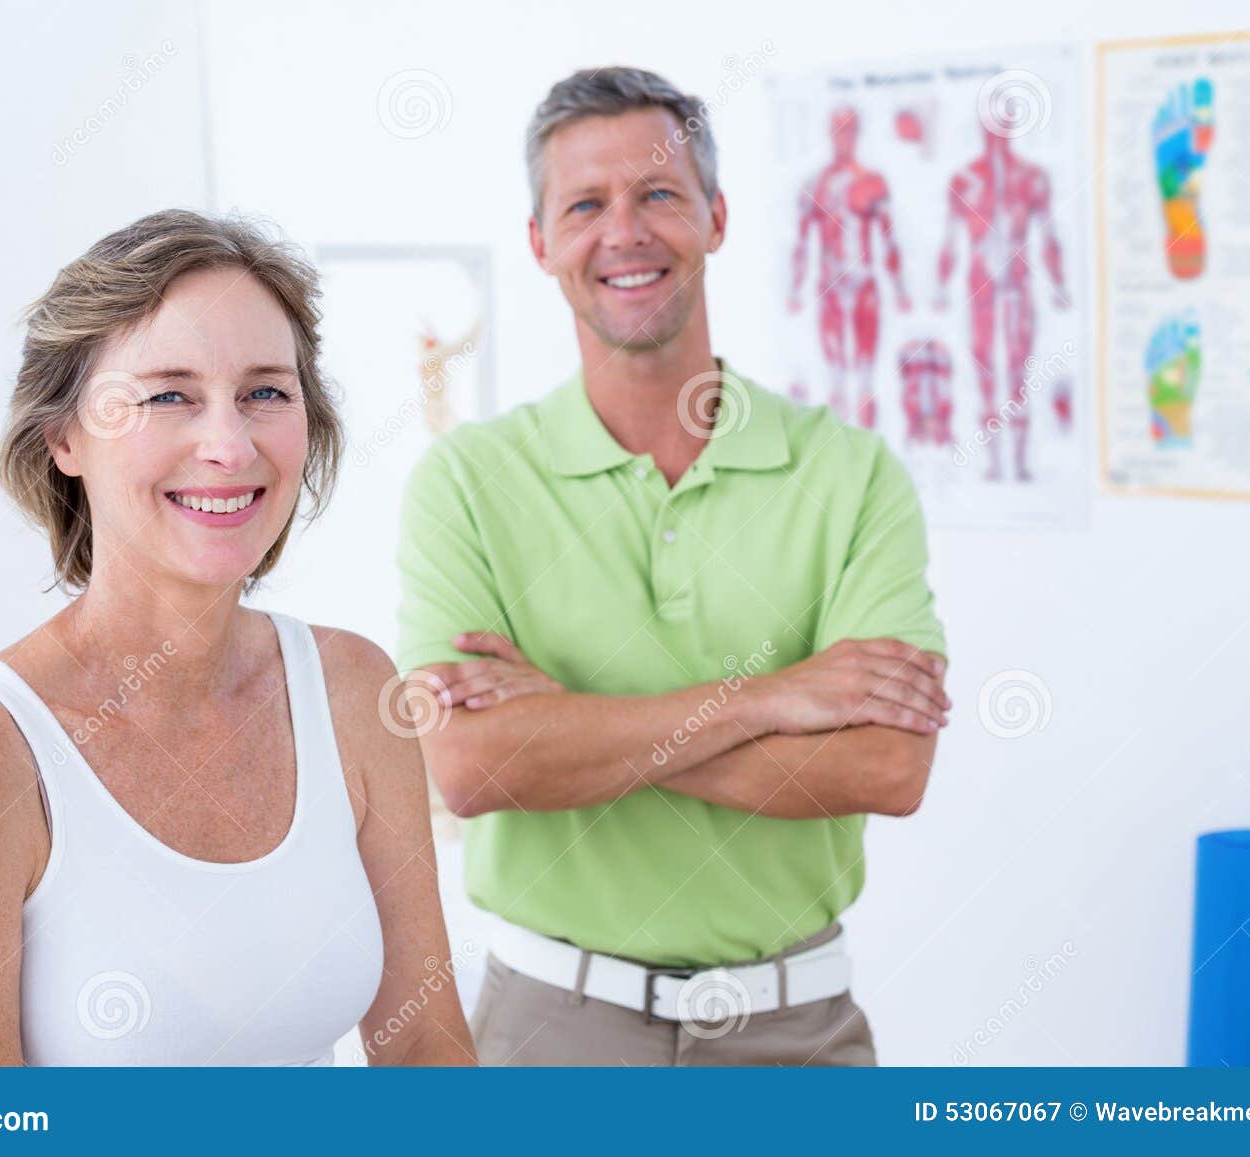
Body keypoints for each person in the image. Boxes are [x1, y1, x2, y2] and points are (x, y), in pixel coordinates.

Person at [395, 68, 949, 1066]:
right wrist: (773, 697)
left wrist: (567, 722)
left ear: (715, 217)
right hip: (549, 1033)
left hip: (798, 1035)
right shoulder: (468, 480)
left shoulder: (850, 473)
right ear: (540, 242)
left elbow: (887, 765)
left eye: (657, 194)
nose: (625, 232)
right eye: (584, 205)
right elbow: (475, 765)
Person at [0, 210, 473, 1066]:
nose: (228, 444)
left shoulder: (352, 688)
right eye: (167, 395)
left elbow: (427, 1062)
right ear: (64, 437)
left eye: (265, 391)